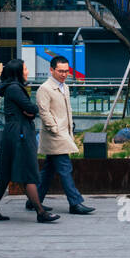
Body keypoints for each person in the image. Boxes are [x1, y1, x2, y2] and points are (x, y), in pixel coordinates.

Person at [0, 59, 59, 223]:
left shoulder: (9, 88)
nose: (27, 71)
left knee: (4, 173)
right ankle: (40, 212)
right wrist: (30, 112)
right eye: (25, 68)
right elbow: (32, 108)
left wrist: (29, 112)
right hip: (20, 133)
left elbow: (28, 110)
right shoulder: (15, 88)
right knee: (28, 172)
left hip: (11, 132)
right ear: (18, 72)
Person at [32, 56, 94, 215]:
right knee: (65, 168)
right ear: (51, 70)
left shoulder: (64, 86)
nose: (64, 74)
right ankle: (75, 203)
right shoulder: (45, 88)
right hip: (55, 135)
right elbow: (44, 112)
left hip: (63, 132)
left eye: (66, 71)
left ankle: (34, 201)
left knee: (48, 170)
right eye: (60, 71)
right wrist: (55, 129)